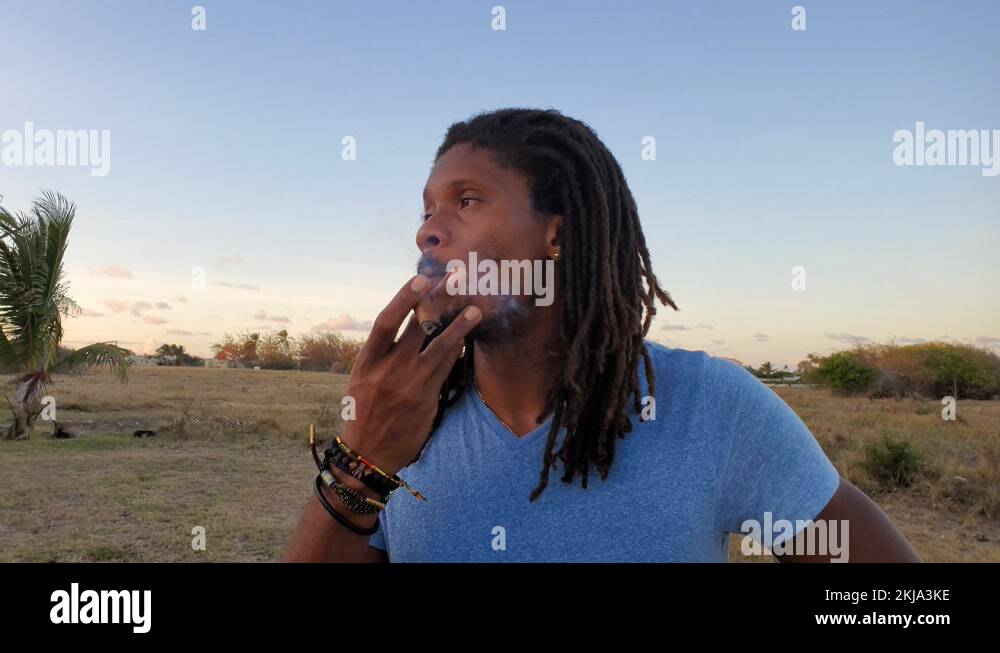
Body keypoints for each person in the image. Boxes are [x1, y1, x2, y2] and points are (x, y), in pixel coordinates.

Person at [284, 108, 919, 563]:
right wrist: (360, 464)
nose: (427, 231)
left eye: (467, 201)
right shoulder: (406, 422)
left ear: (556, 236)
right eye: (426, 210)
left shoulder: (711, 407)